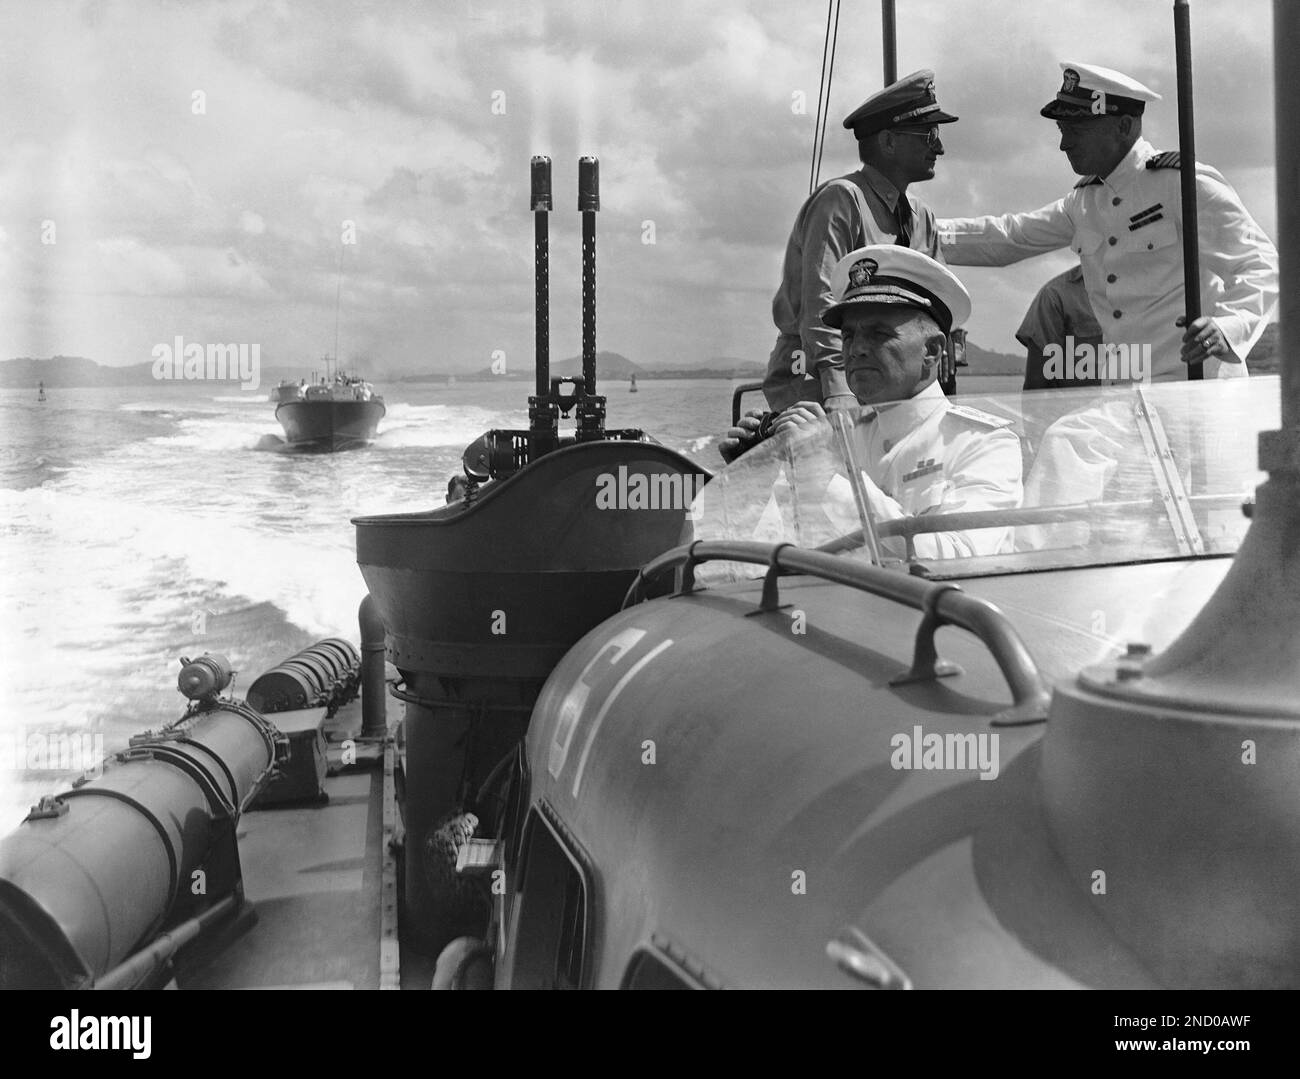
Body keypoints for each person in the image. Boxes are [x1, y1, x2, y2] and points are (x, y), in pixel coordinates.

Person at [937, 62, 1278, 382]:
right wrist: (918, 230)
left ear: (1124, 126)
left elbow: (1261, 264)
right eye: (1061, 128)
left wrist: (1228, 327)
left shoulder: (1182, 184)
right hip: (1123, 396)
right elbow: (1009, 237)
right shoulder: (1085, 201)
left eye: (1076, 129)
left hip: (1194, 391)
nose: (1063, 143)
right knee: (1061, 444)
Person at [725, 245, 1023, 561]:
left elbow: (958, 557)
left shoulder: (984, 444)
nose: (856, 349)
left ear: (932, 351)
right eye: (849, 336)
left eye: (879, 334)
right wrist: (753, 478)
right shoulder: (838, 438)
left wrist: (831, 475)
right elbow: (788, 549)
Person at [764, 70, 960, 414]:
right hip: (815, 382)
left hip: (893, 383)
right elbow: (819, 301)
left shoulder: (922, 216)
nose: (939, 148)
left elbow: (937, 304)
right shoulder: (842, 200)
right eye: (928, 135)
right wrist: (839, 389)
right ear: (888, 142)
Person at [1017, 264, 1105, 389]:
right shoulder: (1055, 295)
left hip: (1136, 405)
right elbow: (1036, 386)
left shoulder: (1142, 291)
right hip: (1079, 407)